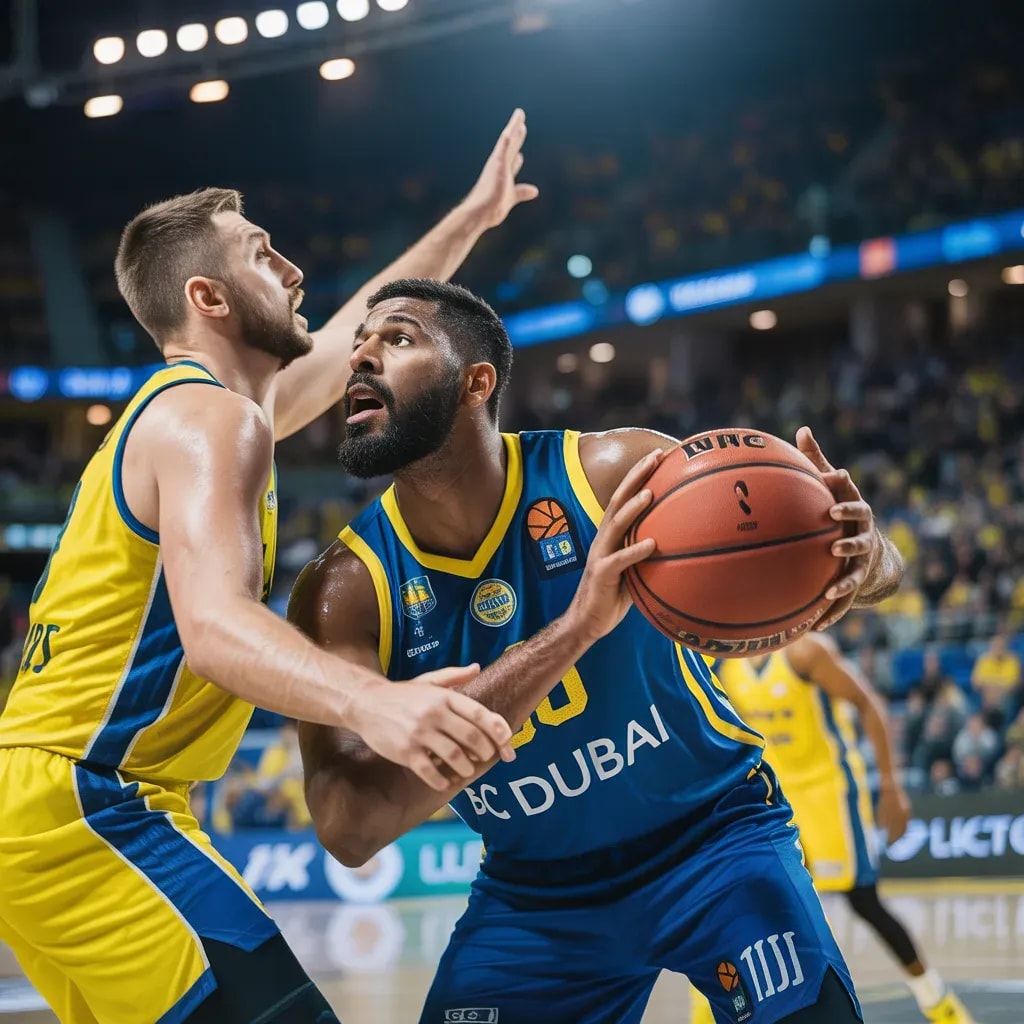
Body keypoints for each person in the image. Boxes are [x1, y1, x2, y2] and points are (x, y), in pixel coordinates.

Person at [0, 111, 539, 1024]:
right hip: (92, 804)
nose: (291, 270)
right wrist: (377, 701)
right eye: (262, 254)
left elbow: (340, 342)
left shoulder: (197, 411)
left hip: (58, 805)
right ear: (210, 299)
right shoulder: (215, 420)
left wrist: (473, 218)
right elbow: (211, 627)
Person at [289, 278, 905, 1024]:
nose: (360, 355)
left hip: (713, 844)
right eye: (358, 342)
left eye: (397, 338)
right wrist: (577, 628)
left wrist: (860, 553)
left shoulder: (614, 475)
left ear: (473, 384)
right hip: (534, 896)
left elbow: (866, 565)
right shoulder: (345, 589)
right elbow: (349, 829)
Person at [690, 632, 976, 1024]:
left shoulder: (806, 652)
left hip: (831, 791)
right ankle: (709, 1012)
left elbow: (868, 702)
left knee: (863, 900)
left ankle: (938, 1002)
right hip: (774, 793)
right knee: (746, 900)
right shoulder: (723, 659)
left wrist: (891, 787)